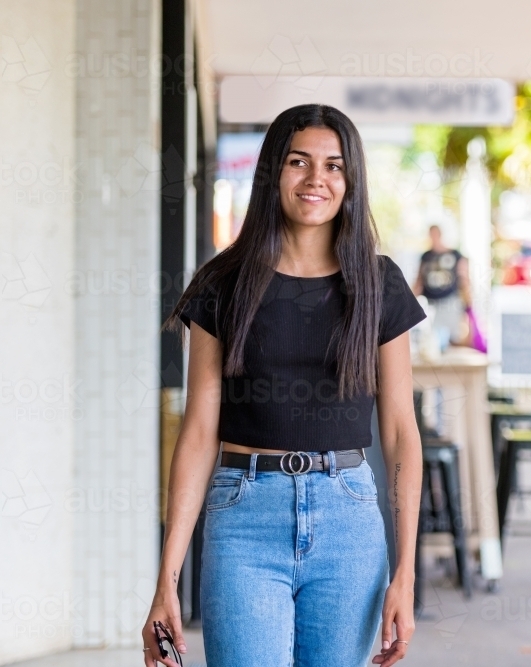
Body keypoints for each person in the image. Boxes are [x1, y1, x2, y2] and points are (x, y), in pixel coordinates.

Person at [144, 104, 426, 667]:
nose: (316, 179)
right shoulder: (224, 283)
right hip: (243, 515)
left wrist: (406, 572)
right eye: (299, 162)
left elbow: (399, 431)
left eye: (334, 166)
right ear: (273, 171)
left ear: (351, 181)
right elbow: (200, 431)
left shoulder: (378, 283)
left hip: (348, 517)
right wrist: (166, 578)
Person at [411, 224, 472, 352]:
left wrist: (468, 304)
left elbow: (464, 279)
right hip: (432, 304)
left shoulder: (455, 255)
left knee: (455, 338)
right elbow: (419, 281)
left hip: (451, 302)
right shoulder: (426, 257)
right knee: (433, 341)